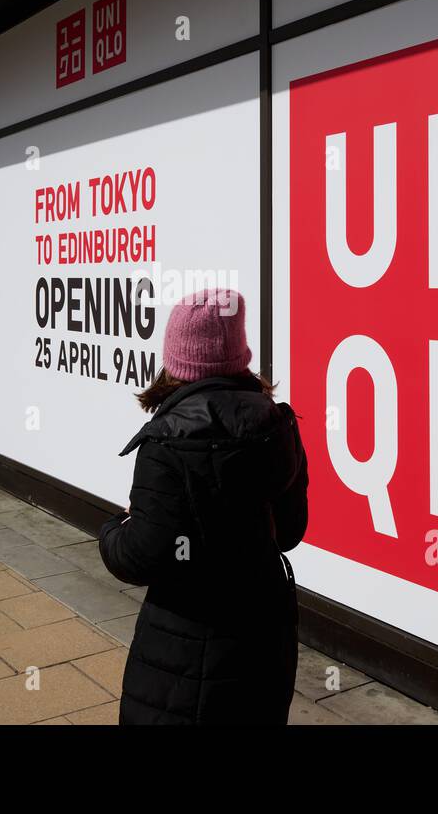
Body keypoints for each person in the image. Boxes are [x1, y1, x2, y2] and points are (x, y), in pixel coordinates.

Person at [98, 288, 309, 724]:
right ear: (238, 353)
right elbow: (289, 532)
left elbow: (141, 557)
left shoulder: (166, 442)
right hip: (263, 641)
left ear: (175, 359)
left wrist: (114, 528)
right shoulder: (278, 424)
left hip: (183, 645)